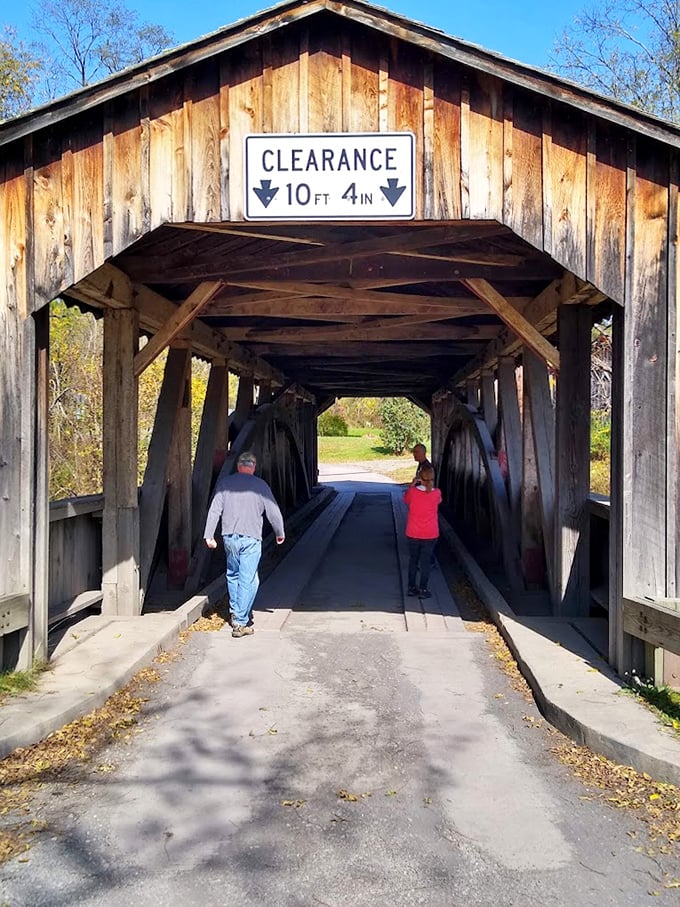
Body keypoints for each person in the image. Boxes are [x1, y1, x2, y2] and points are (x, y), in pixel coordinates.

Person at [204, 451, 285, 638]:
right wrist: (279, 532)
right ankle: (240, 622)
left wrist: (209, 535)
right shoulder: (260, 486)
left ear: (238, 466)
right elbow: (273, 510)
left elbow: (214, 510)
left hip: (229, 537)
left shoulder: (225, 484)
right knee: (248, 579)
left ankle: (235, 611)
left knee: (233, 574)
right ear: (253, 467)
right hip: (251, 538)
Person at [402, 465, 441, 599]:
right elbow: (438, 501)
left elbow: (406, 499)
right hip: (430, 533)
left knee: (413, 560)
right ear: (433, 477)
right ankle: (423, 589)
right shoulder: (437, 493)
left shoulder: (413, 492)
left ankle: (411, 588)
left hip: (413, 532)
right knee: (425, 562)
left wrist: (413, 484)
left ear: (420, 477)